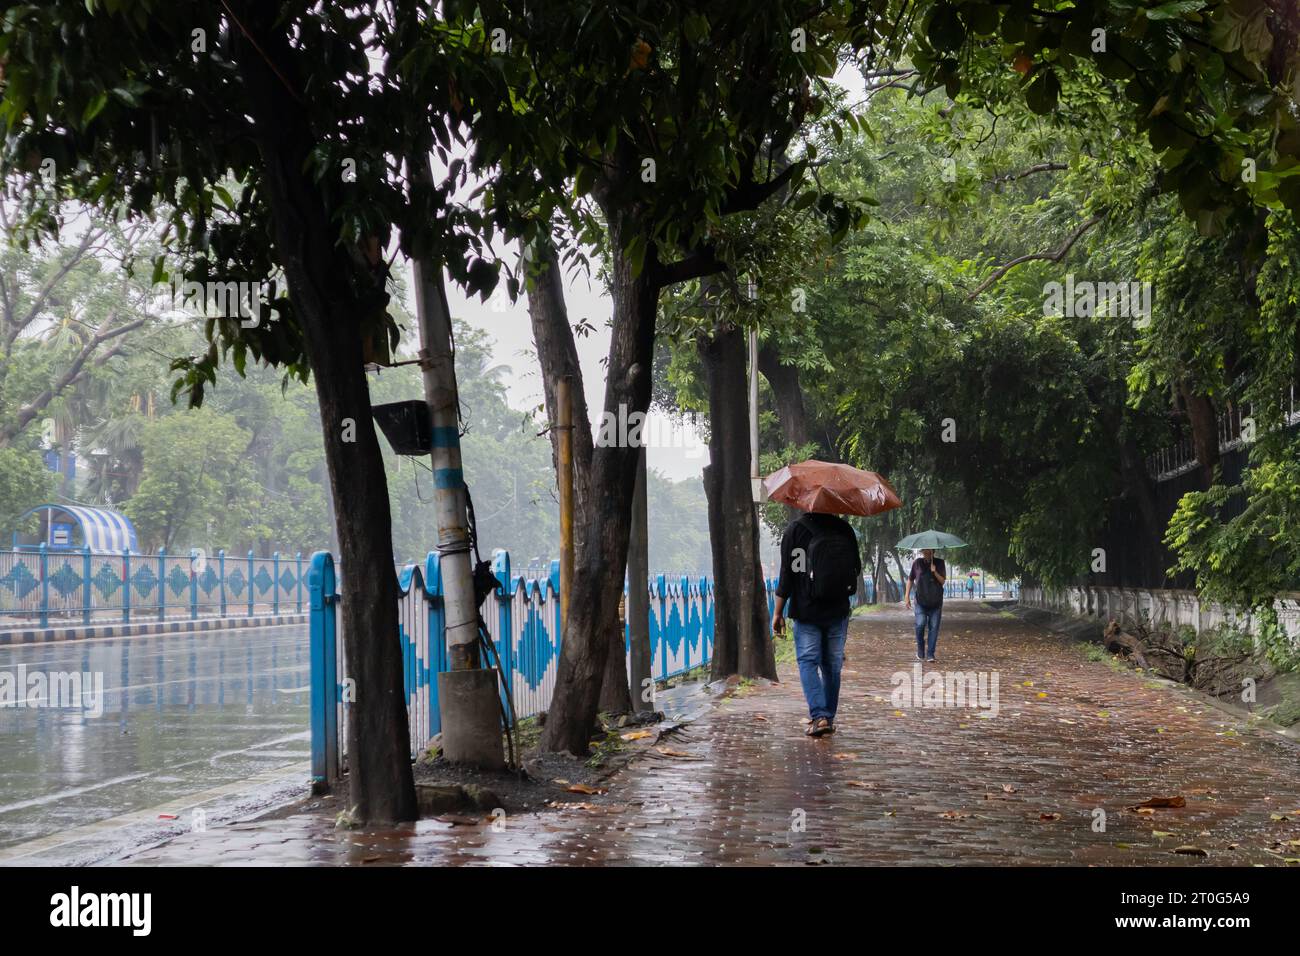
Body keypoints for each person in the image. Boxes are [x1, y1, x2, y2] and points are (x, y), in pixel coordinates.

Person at [772, 510, 862, 738]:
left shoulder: (796, 530)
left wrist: (777, 612)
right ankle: (827, 717)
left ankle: (819, 715)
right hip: (837, 609)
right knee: (832, 665)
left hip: (806, 610)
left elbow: (787, 575)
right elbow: (856, 568)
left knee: (808, 660)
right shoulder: (844, 529)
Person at [904, 548, 946, 662]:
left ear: (933, 552)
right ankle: (920, 649)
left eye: (929, 552)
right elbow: (910, 579)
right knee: (920, 624)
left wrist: (934, 571)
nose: (926, 554)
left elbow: (942, 581)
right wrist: (907, 596)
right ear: (922, 552)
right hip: (920, 602)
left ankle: (931, 654)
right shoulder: (917, 563)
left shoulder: (940, 563)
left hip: (935, 602)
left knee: (934, 628)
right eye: (924, 552)